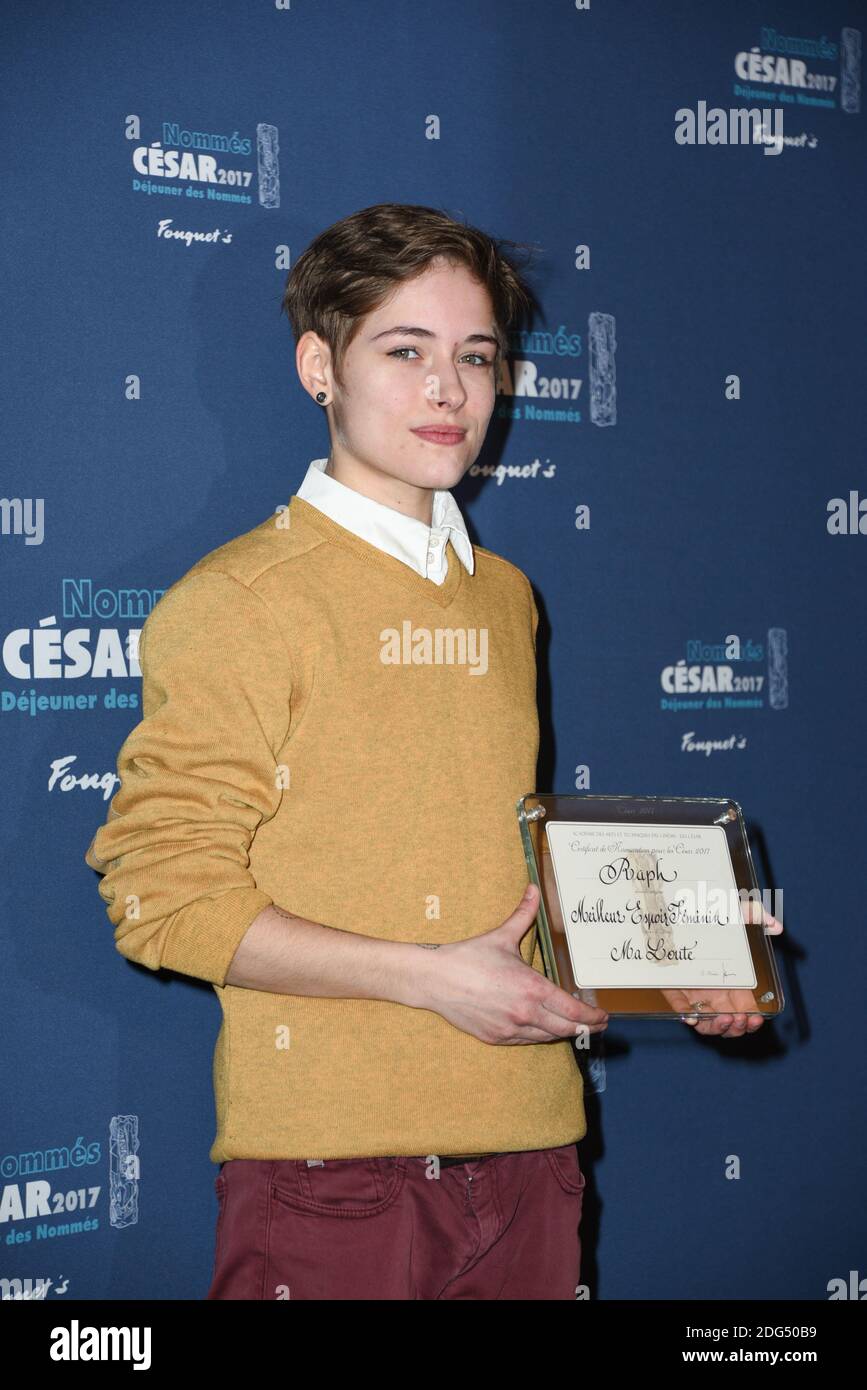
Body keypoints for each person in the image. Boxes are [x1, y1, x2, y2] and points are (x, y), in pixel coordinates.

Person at [85, 202, 777, 1301]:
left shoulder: (506, 597)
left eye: (475, 357)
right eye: (404, 351)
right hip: (333, 1173)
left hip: (534, 1149)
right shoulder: (240, 601)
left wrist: (676, 960)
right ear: (322, 365)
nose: (448, 390)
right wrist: (432, 983)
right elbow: (161, 896)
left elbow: (481, 863)